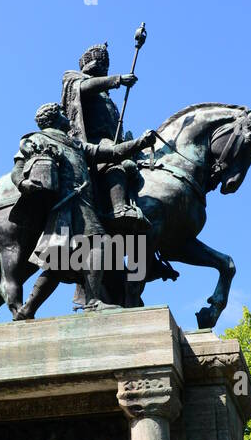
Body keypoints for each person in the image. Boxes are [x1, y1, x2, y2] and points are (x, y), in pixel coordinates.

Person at [10, 102, 154, 315]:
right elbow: (19, 169)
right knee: (100, 242)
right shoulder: (36, 139)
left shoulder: (75, 144)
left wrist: (140, 143)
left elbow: (112, 153)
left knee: (57, 264)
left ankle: (27, 310)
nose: (67, 115)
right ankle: (93, 300)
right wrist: (23, 184)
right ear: (55, 117)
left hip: (83, 201)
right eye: (62, 112)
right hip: (66, 202)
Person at [61, 43, 151, 232]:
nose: (101, 68)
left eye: (104, 64)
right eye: (98, 63)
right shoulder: (72, 78)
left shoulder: (106, 96)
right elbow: (84, 87)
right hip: (89, 140)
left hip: (111, 139)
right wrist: (117, 80)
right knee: (114, 160)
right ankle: (117, 210)